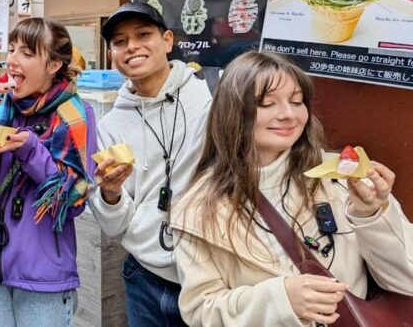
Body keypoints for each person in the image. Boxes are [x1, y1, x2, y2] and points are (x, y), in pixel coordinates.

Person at [171, 51, 413, 326]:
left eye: (297, 101)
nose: (288, 114)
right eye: (266, 103)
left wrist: (371, 215)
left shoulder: (341, 178)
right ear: (233, 112)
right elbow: (201, 311)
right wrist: (280, 299)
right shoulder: (197, 209)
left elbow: (407, 280)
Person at [0, 18, 97, 327]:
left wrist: (30, 150)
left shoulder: (74, 115)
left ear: (53, 64)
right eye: (11, 50)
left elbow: (73, 200)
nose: (11, 60)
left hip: (43, 278)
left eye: (26, 52)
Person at [89, 2, 212, 327]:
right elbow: (114, 226)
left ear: (167, 40)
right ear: (113, 54)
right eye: (119, 41)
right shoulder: (111, 126)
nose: (131, 46)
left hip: (208, 277)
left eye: (143, 34)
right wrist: (110, 194)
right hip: (143, 277)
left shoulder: (209, 98)